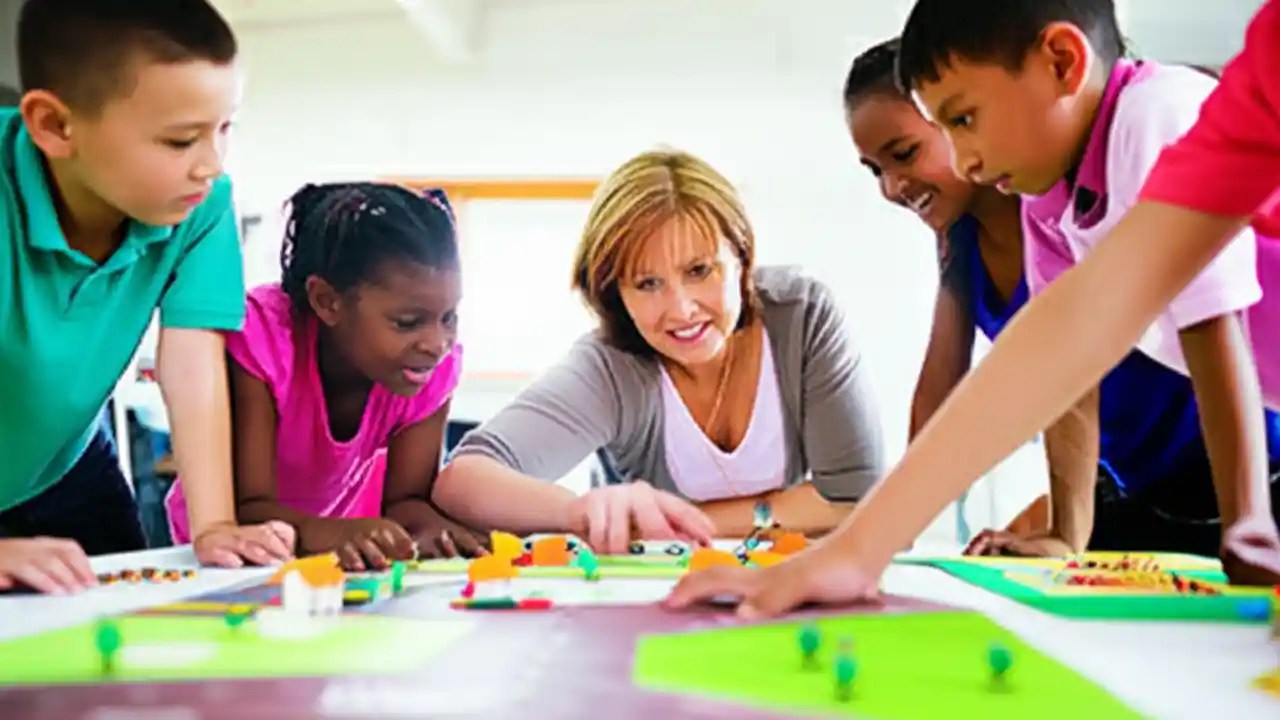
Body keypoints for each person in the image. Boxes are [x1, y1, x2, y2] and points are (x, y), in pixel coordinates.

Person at [665, 0, 1280, 618]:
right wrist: (862, 548)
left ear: (1061, 62)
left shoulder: (1155, 112)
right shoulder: (1048, 205)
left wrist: (1247, 518)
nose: (965, 162)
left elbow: (1211, 322)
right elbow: (1055, 360)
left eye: (964, 119)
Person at [844, 37, 1280, 558]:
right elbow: (950, 393)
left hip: (1253, 466)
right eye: (875, 170)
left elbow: (1207, 317)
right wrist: (886, 537)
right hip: (1142, 490)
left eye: (905, 154)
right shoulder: (972, 245)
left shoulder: (1101, 170)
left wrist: (1248, 518)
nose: (891, 187)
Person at [434, 148, 885, 553]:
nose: (681, 310)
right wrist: (580, 511)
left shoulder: (801, 317)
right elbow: (462, 479)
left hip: (785, 585)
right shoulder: (611, 367)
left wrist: (673, 524)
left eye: (699, 270)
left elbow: (860, 501)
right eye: (647, 283)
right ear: (616, 294)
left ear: (741, 258)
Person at [0, 0, 294, 595]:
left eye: (223, 128)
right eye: (180, 140)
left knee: (127, 612)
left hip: (61, 462)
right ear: (55, 126)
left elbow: (193, 364)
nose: (210, 165)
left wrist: (214, 524)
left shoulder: (201, 205)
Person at [165, 183, 488, 571]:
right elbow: (248, 508)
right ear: (327, 301)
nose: (437, 343)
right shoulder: (265, 342)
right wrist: (331, 533)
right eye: (407, 322)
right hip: (219, 555)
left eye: (449, 317)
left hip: (321, 555)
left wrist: (435, 531)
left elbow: (406, 501)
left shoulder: (425, 371)